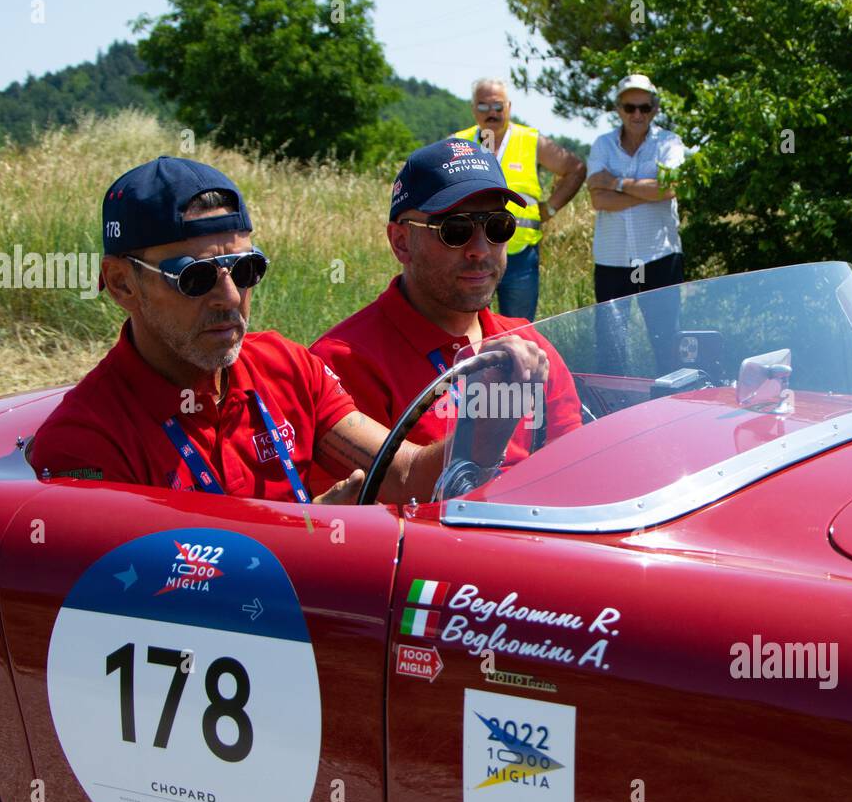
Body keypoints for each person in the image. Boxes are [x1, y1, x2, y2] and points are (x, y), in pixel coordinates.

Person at [29, 156, 547, 504]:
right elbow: (139, 604)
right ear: (122, 283)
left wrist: (486, 424)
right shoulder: (85, 440)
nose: (230, 298)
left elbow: (407, 476)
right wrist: (307, 535)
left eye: (246, 269)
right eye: (196, 277)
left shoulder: (285, 366)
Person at [308, 139, 584, 495]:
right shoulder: (343, 362)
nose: (480, 249)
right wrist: (483, 431)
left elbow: (576, 470)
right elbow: (354, 517)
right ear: (401, 242)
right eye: (455, 230)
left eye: (498, 226)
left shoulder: (530, 345)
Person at [453, 77, 586, 321]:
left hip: (520, 254)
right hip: (471, 253)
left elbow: (576, 168)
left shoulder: (530, 140)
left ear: (509, 107)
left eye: (498, 106)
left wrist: (551, 208)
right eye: (483, 106)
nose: (491, 113)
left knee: (519, 333)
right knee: (467, 329)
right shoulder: (457, 143)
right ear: (473, 108)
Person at [585, 74, 686, 375]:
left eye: (644, 107)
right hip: (612, 259)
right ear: (619, 109)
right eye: (630, 107)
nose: (637, 114)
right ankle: (614, 413)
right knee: (611, 344)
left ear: (655, 109)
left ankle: (673, 405)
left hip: (660, 256)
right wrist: (647, 191)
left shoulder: (670, 142)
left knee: (667, 340)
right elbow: (598, 200)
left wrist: (615, 182)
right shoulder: (602, 144)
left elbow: (668, 188)